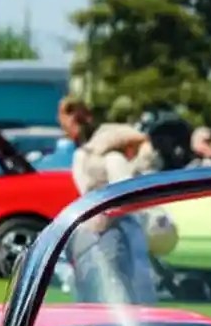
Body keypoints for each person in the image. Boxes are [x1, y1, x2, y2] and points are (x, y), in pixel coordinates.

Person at [68, 124, 161, 305]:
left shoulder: (81, 157)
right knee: (124, 281)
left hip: (87, 225)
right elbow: (124, 194)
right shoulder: (115, 159)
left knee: (92, 280)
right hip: (116, 226)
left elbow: (83, 188)